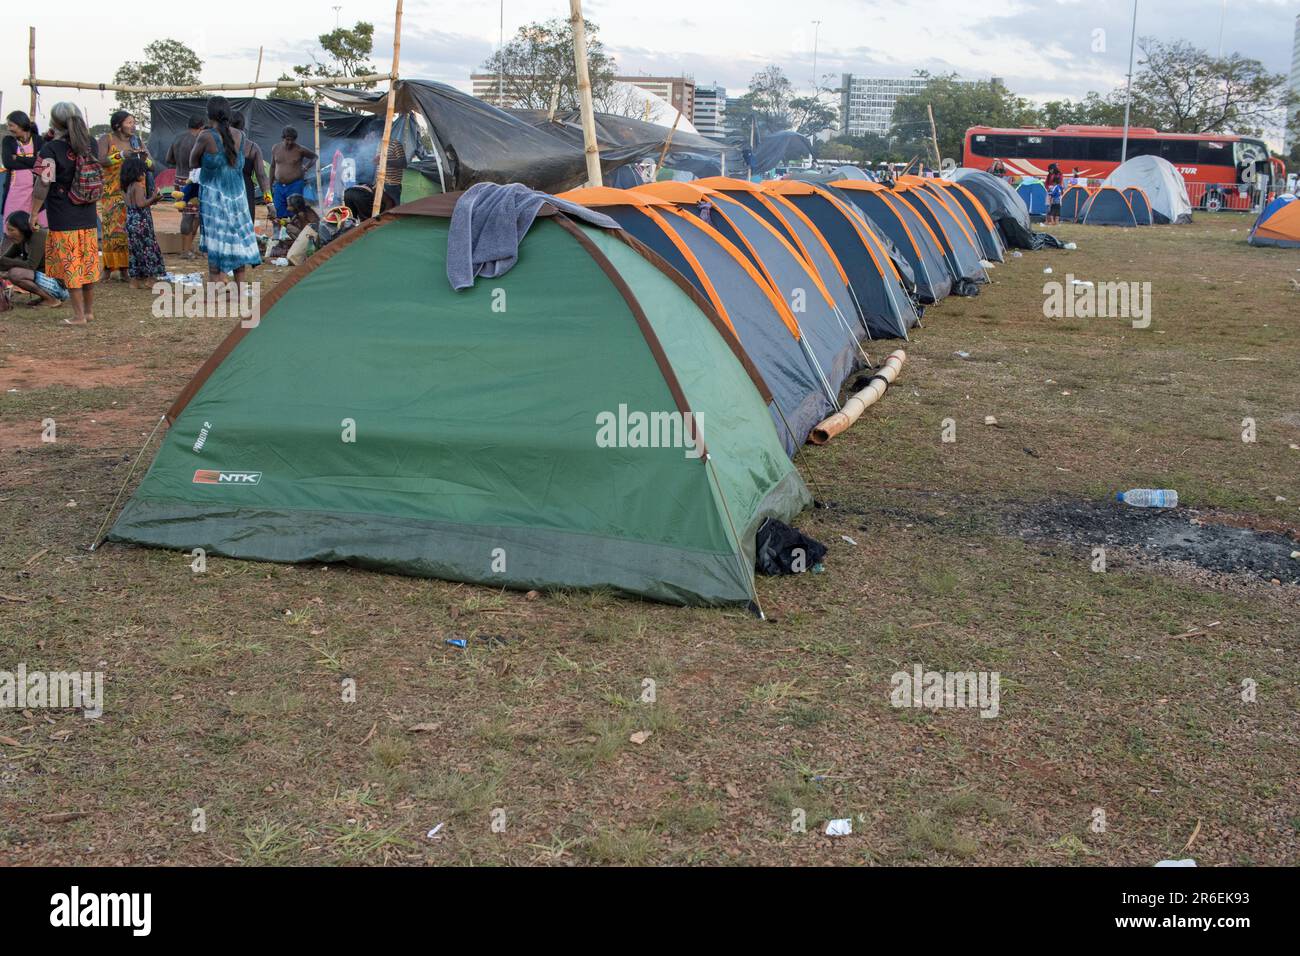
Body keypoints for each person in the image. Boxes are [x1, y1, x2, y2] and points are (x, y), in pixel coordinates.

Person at [30, 102, 101, 325]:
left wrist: (33, 214)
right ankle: (89, 312)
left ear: (54, 122)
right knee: (87, 264)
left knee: (71, 265)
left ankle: (78, 316)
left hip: (63, 214)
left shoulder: (50, 149)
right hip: (88, 213)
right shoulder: (90, 144)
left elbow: (43, 184)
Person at [189, 96, 261, 284]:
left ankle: (216, 292)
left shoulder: (206, 136)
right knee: (236, 242)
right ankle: (239, 291)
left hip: (214, 199)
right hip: (238, 198)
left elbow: (192, 161)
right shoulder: (241, 136)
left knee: (216, 242)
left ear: (209, 114)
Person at [96, 110, 149, 282]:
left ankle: (126, 268)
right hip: (112, 192)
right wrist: (121, 155)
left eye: (133, 122)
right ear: (118, 125)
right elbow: (101, 160)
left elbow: (152, 164)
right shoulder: (107, 139)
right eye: (129, 122)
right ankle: (108, 268)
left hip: (132, 193)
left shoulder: (137, 141)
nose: (133, 125)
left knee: (128, 231)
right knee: (111, 232)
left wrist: (144, 158)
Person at [0, 210, 67, 308]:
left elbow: (30, 266)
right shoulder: (23, 237)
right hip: (48, 280)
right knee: (13, 271)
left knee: (15, 274)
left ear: (22, 228)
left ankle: (51, 300)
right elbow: (4, 259)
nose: (8, 234)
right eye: (8, 230)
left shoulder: (38, 234)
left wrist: (5, 263)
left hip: (61, 288)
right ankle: (45, 297)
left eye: (11, 230)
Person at [165, 114, 205, 258]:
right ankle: (186, 250)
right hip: (193, 180)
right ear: (201, 126)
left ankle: (188, 247)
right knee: (192, 216)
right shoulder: (201, 139)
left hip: (179, 179)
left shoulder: (178, 138)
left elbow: (168, 159)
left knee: (189, 215)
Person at [122, 156, 165, 288]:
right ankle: (150, 279)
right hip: (141, 222)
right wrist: (153, 198)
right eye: (142, 172)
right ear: (136, 172)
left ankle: (135, 281)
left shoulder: (127, 187)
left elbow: (133, 204)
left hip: (130, 221)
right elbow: (141, 204)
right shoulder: (137, 186)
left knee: (135, 250)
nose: (144, 175)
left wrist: (153, 200)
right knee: (148, 248)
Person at [2, 111, 47, 228]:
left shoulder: (38, 140)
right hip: (15, 192)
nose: (9, 128)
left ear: (21, 125)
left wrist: (17, 158)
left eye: (11, 125)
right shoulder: (8, 141)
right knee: (12, 225)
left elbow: (42, 163)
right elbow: (8, 163)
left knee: (36, 227)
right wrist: (32, 162)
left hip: (35, 192)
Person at [229, 113, 271, 224]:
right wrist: (269, 203)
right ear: (243, 127)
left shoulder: (219, 144)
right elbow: (262, 177)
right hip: (245, 193)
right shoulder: (252, 147)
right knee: (245, 229)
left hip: (225, 191)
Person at [270, 126, 316, 219]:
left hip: (295, 185)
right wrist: (269, 184)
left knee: (295, 212)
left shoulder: (300, 149)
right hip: (279, 186)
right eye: (287, 139)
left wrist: (306, 167)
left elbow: (315, 157)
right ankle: (277, 233)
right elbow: (273, 166)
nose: (290, 142)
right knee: (277, 212)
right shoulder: (276, 148)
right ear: (283, 138)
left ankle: (295, 232)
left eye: (292, 140)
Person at [269, 193, 319, 258]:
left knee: (289, 228)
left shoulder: (302, 214)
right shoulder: (301, 212)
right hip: (309, 236)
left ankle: (299, 245)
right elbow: (291, 222)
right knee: (289, 226)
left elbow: (305, 231)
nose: (287, 208)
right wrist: (279, 221)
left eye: (290, 206)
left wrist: (283, 223)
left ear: (296, 206)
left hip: (310, 238)